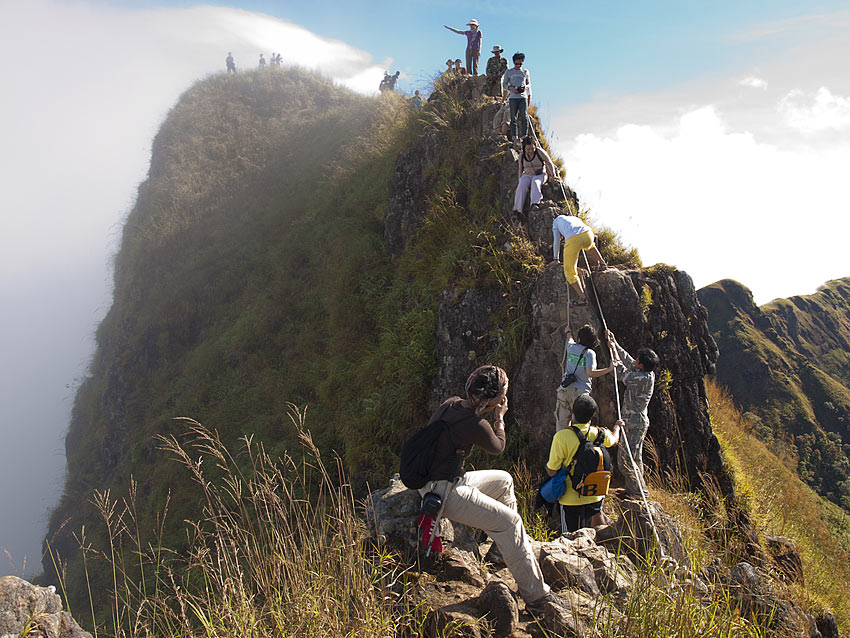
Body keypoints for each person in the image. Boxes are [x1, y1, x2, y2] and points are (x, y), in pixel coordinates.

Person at [419, 365, 569, 616]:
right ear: (494, 399)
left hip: (444, 481)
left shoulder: (451, 404)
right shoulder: (475, 424)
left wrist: (487, 407)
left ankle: (504, 551)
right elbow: (498, 446)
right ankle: (536, 597)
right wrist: (500, 417)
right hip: (444, 494)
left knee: (504, 480)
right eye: (503, 394)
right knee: (510, 522)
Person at [546, 394, 622, 533]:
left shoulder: (561, 437)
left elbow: (552, 471)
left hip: (570, 498)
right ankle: (600, 547)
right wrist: (617, 427)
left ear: (572, 412)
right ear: (593, 415)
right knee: (597, 525)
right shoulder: (600, 433)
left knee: (570, 537)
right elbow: (614, 440)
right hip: (595, 493)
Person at [606, 330, 659, 498]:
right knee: (629, 458)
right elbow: (629, 361)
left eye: (639, 361)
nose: (635, 361)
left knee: (629, 459)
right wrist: (615, 344)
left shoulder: (643, 379)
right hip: (631, 422)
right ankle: (632, 489)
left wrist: (613, 352)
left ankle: (638, 492)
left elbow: (623, 373)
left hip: (635, 424)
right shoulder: (644, 373)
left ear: (642, 365)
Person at [555, 324, 614, 431]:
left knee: (561, 424)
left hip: (565, 390)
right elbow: (590, 373)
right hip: (579, 394)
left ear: (580, 338)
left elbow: (569, 338)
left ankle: (561, 445)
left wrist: (568, 331)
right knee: (580, 427)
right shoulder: (589, 353)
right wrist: (609, 369)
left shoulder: (571, 347)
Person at [552, 214, 606, 304]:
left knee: (569, 271)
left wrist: (556, 259)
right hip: (588, 234)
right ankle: (603, 263)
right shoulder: (573, 218)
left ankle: (583, 298)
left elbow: (556, 241)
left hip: (573, 239)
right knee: (590, 246)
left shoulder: (556, 222)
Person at [512, 136, 557, 216]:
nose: (530, 151)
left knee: (535, 183)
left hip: (540, 175)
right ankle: (517, 210)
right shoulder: (522, 156)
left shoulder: (540, 152)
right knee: (522, 185)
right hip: (527, 175)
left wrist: (553, 175)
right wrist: (519, 180)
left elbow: (549, 162)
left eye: (532, 148)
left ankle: (535, 204)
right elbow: (520, 168)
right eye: (528, 149)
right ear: (524, 148)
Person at [502, 52, 531, 141]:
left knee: (524, 116)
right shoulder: (509, 72)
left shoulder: (525, 72)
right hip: (513, 97)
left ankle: (524, 136)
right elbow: (504, 84)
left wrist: (524, 88)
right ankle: (514, 136)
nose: (518, 65)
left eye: (520, 63)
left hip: (522, 97)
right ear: (514, 62)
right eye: (516, 63)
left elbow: (528, 84)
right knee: (513, 117)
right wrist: (511, 88)